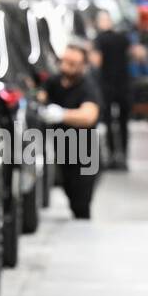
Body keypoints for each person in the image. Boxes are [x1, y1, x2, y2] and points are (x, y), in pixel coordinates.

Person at [40, 42, 102, 219]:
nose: (66, 67)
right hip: (63, 150)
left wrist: (62, 115)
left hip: (84, 153)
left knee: (81, 202)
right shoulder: (54, 82)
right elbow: (40, 95)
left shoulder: (87, 86)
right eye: (64, 62)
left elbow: (89, 115)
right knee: (69, 190)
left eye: (72, 64)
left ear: (82, 66)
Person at [92, 12, 133, 170]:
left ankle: (111, 156)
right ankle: (123, 156)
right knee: (123, 122)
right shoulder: (123, 38)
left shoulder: (99, 39)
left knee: (108, 121)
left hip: (106, 85)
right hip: (123, 84)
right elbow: (133, 55)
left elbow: (96, 62)